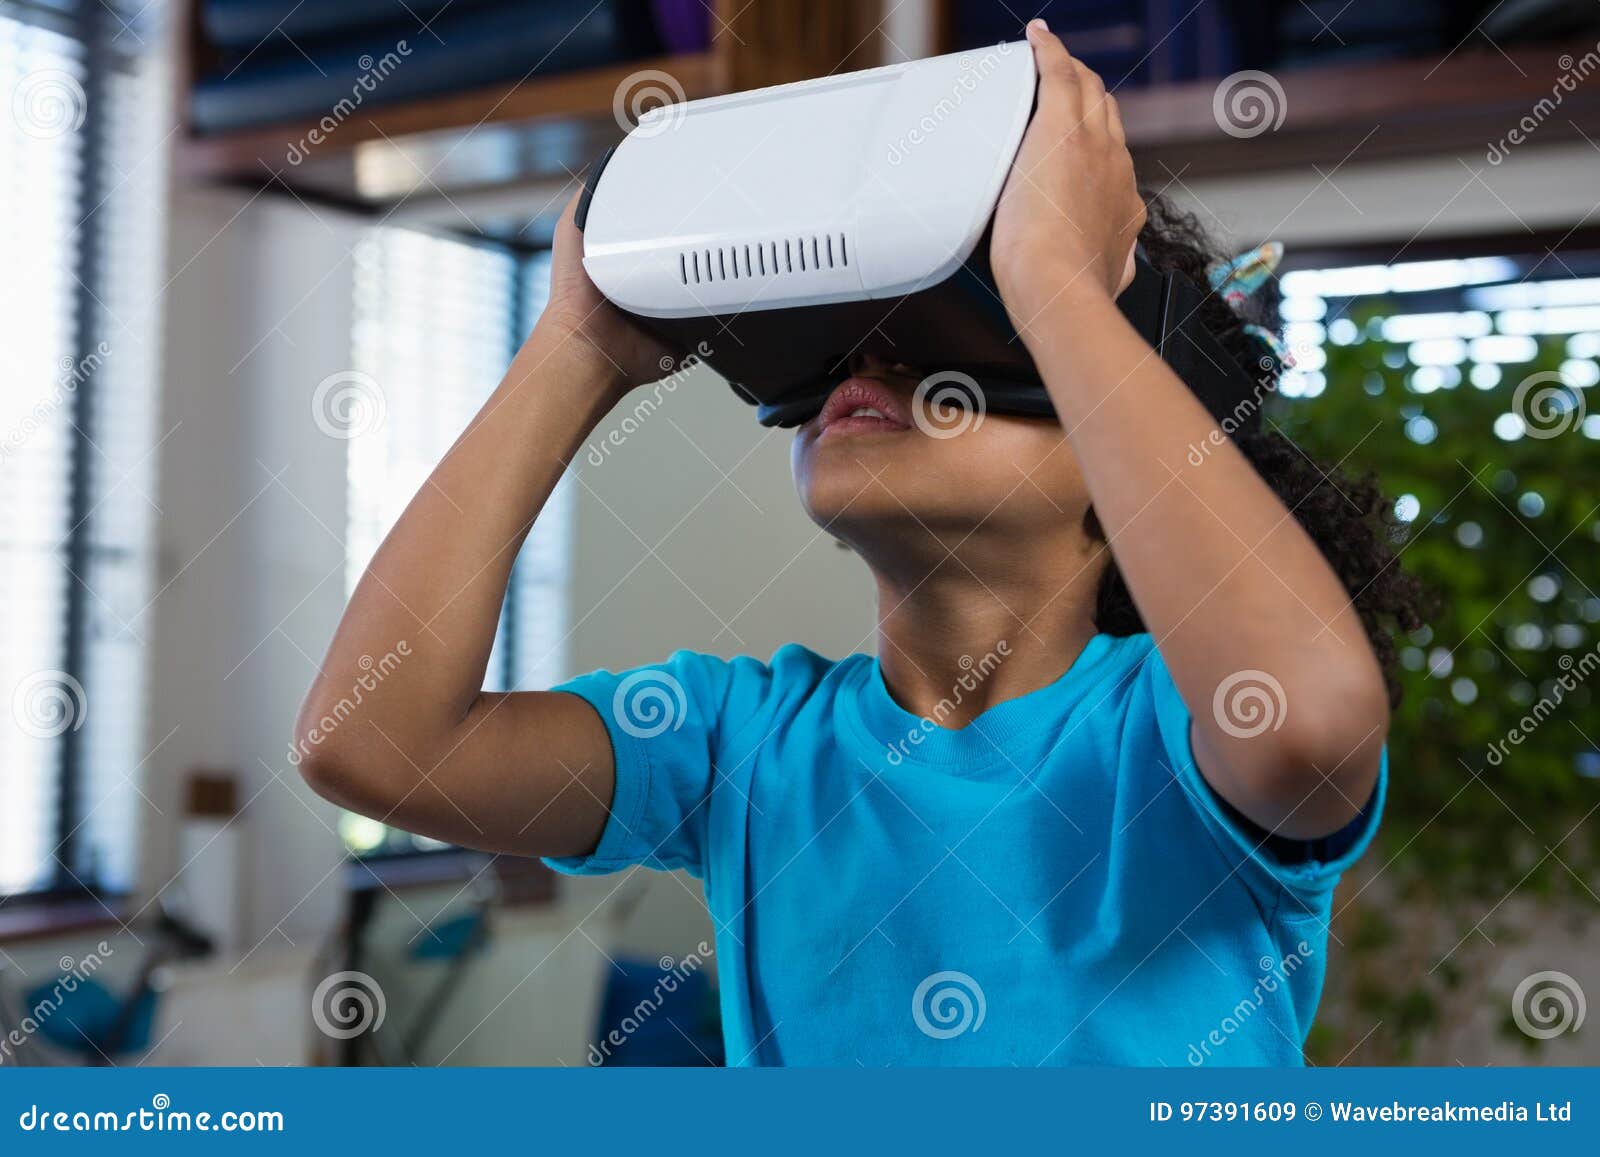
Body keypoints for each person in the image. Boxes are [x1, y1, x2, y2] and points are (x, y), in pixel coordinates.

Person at [296, 20, 1422, 1065]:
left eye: (950, 337)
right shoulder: (739, 744)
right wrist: (574, 346)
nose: (872, 367)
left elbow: (1308, 720)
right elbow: (372, 744)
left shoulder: (1169, 733)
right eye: (844, 348)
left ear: (1115, 425)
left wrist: (1053, 283)